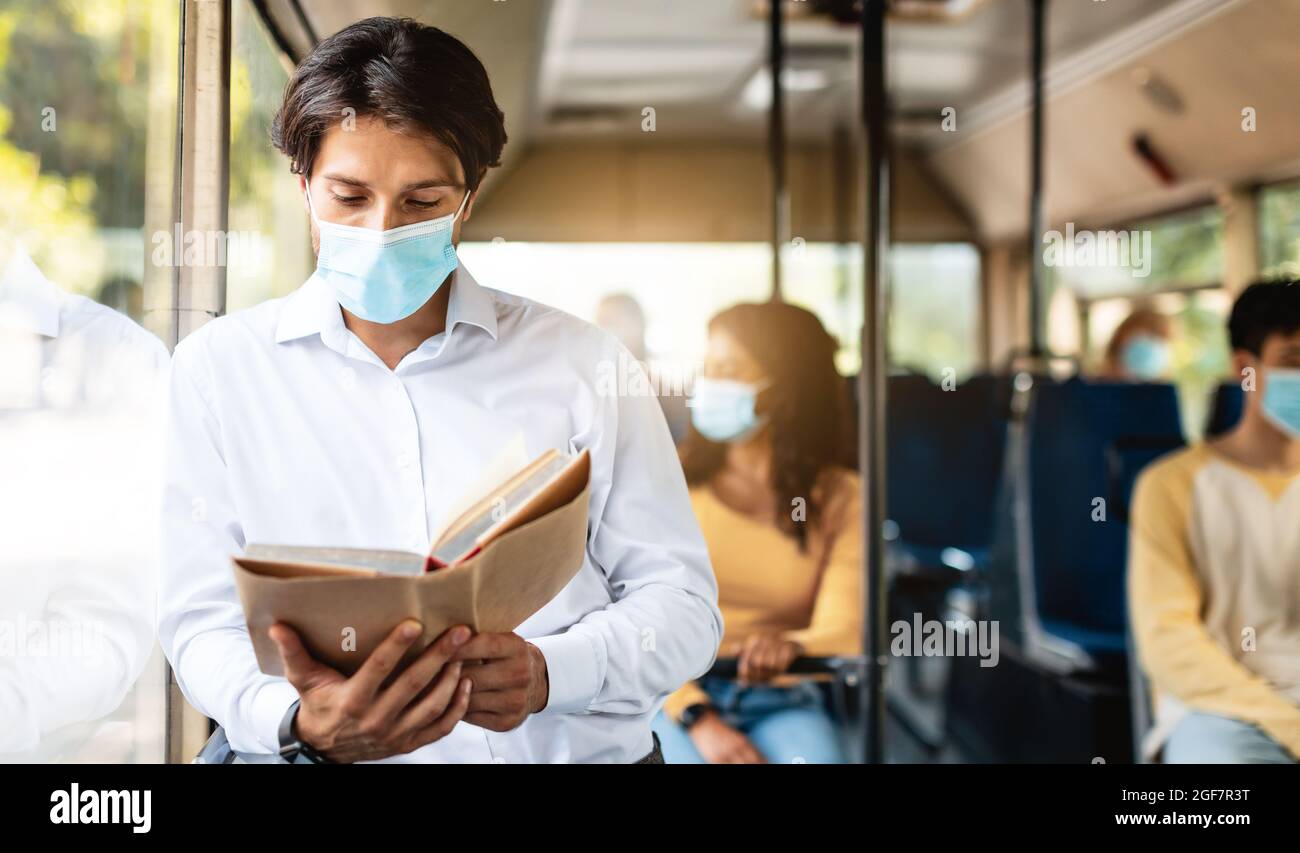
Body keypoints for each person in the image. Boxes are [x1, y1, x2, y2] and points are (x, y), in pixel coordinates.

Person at [156, 17, 721, 764]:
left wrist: (552, 672)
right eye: (349, 197)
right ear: (303, 185)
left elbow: (682, 604)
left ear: (470, 196)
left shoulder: (585, 365)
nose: (383, 229)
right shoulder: (216, 373)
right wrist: (298, 719)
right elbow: (198, 620)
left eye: (421, 202)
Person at [651, 302, 862, 764]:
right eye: (707, 369)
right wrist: (696, 716)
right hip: (668, 695)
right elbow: (638, 620)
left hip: (782, 697)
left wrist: (792, 646)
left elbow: (846, 630)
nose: (709, 385)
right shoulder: (669, 480)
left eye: (728, 370)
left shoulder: (842, 496)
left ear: (784, 387)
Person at [1129, 279, 1300, 764]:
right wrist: (1287, 723)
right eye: (1293, 361)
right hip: (1220, 710)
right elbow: (1170, 642)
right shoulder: (1170, 486)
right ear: (1246, 370)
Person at [1099, 306, 1172, 381]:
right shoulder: (1094, 389)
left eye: (1161, 340)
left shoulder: (1163, 391)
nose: (1155, 345)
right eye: (1150, 336)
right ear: (1122, 335)